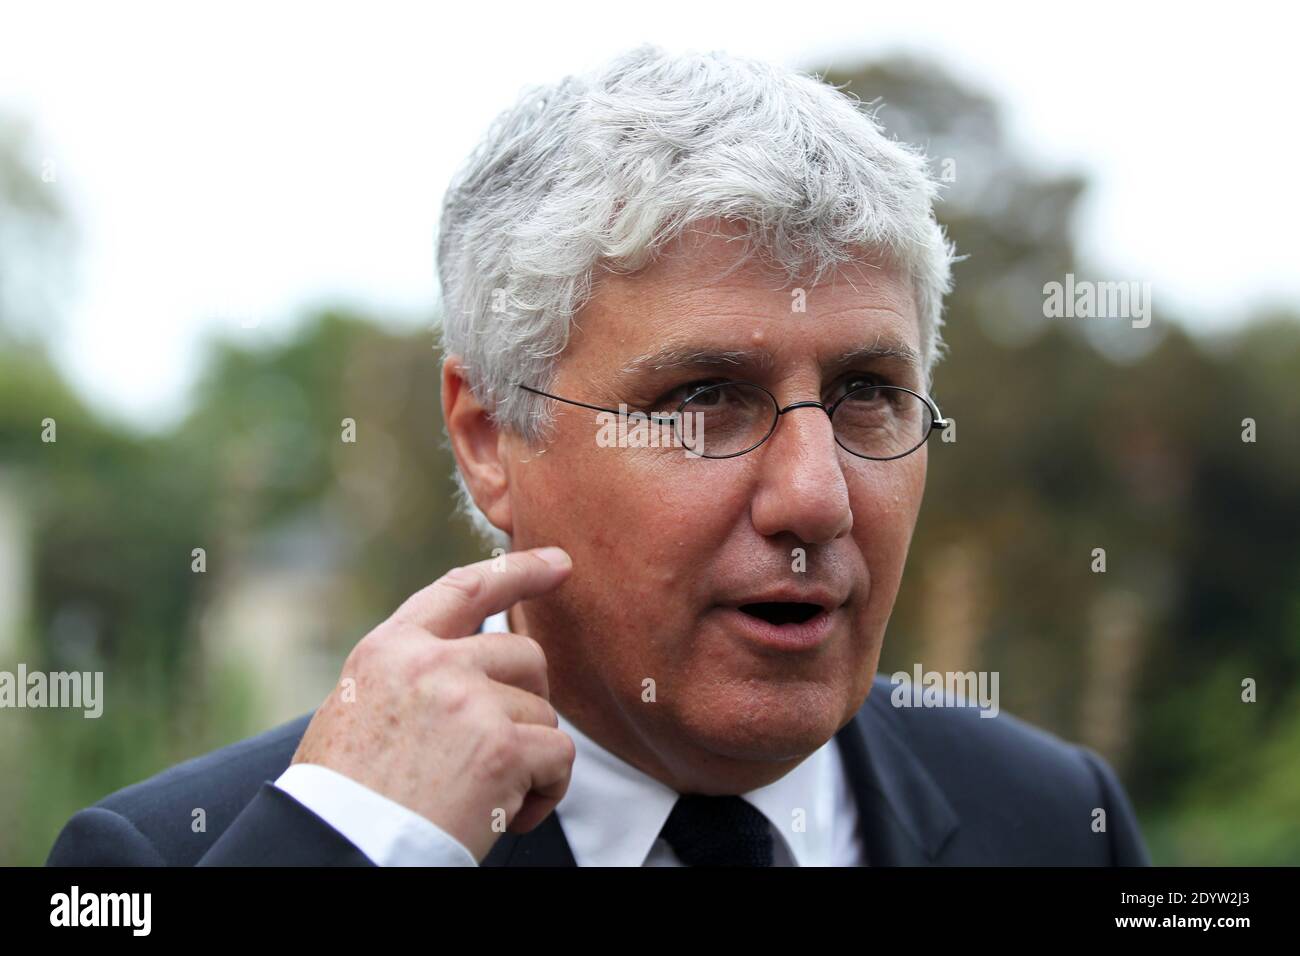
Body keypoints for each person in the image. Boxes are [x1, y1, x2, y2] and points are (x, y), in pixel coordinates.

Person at [47, 44, 1149, 867]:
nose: (816, 496)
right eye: (704, 399)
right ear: (489, 439)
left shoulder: (1056, 820)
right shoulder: (182, 855)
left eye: (868, 393)